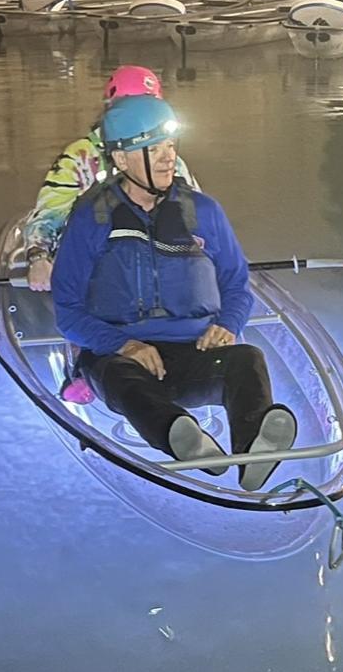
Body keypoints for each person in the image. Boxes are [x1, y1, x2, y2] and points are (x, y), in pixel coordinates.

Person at [50, 95, 296, 491]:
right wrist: (123, 344)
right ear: (123, 160)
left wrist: (227, 324)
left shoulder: (203, 211)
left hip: (194, 353)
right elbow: (67, 311)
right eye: (152, 149)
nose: (168, 158)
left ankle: (253, 450)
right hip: (119, 358)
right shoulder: (91, 219)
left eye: (170, 146)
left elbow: (236, 283)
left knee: (247, 358)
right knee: (119, 376)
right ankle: (180, 436)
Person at [22, 65, 197, 292]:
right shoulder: (80, 158)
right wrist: (39, 258)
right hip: (95, 272)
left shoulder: (171, 161)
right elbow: (49, 214)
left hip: (159, 270)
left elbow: (197, 214)